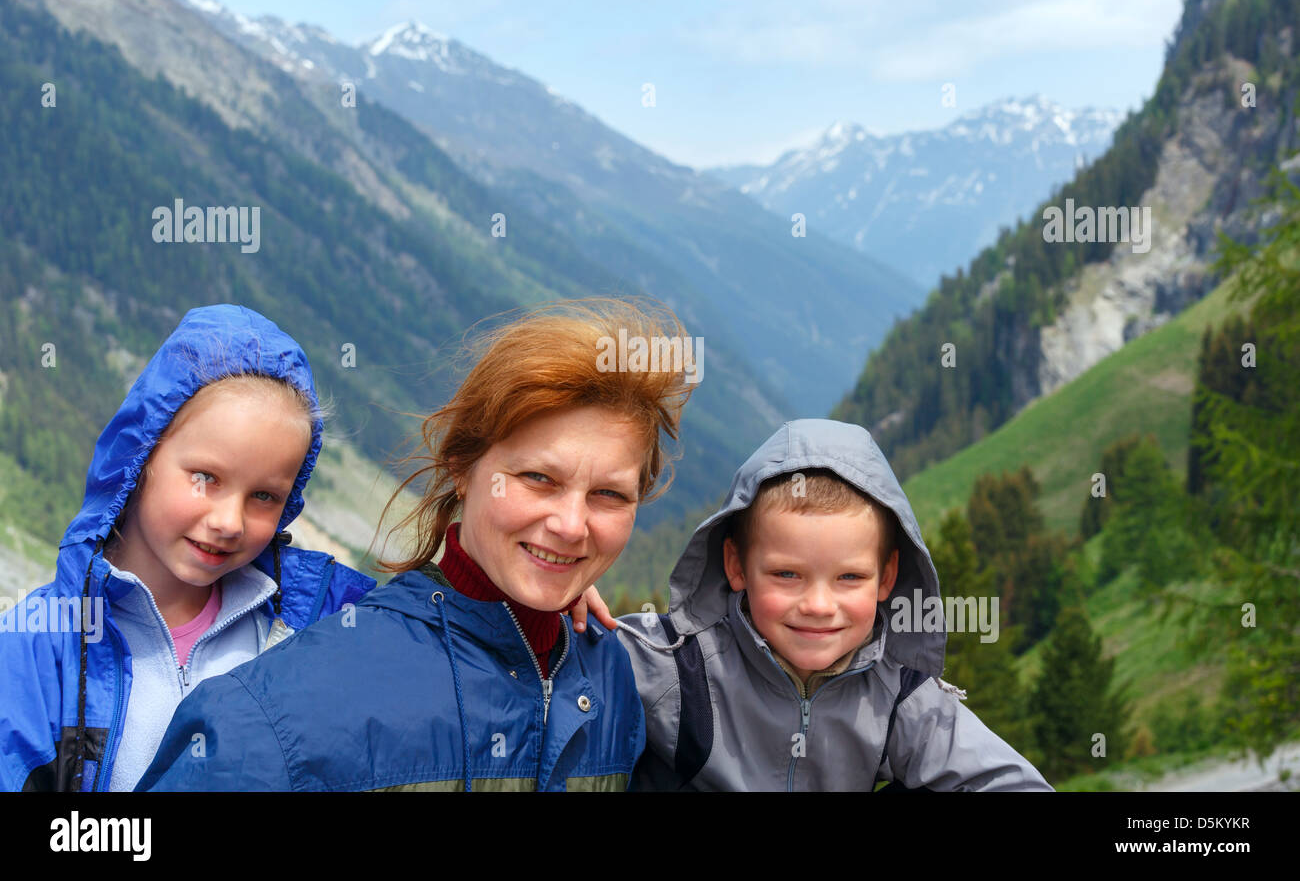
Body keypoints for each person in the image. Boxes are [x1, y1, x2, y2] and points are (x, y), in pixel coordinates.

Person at [136, 297, 696, 791]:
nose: (573, 526)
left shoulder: (611, 681)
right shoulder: (279, 714)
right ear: (462, 470)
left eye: (608, 495)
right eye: (538, 479)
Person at [0, 304, 375, 791]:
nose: (229, 522)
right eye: (206, 478)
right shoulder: (39, 646)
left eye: (265, 496)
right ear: (143, 457)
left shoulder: (315, 622)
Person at [610, 418, 1053, 790]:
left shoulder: (897, 693)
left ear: (887, 578)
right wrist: (566, 603)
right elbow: (559, 660)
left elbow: (1008, 782)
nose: (819, 605)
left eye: (849, 578)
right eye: (787, 575)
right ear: (736, 566)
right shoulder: (674, 665)